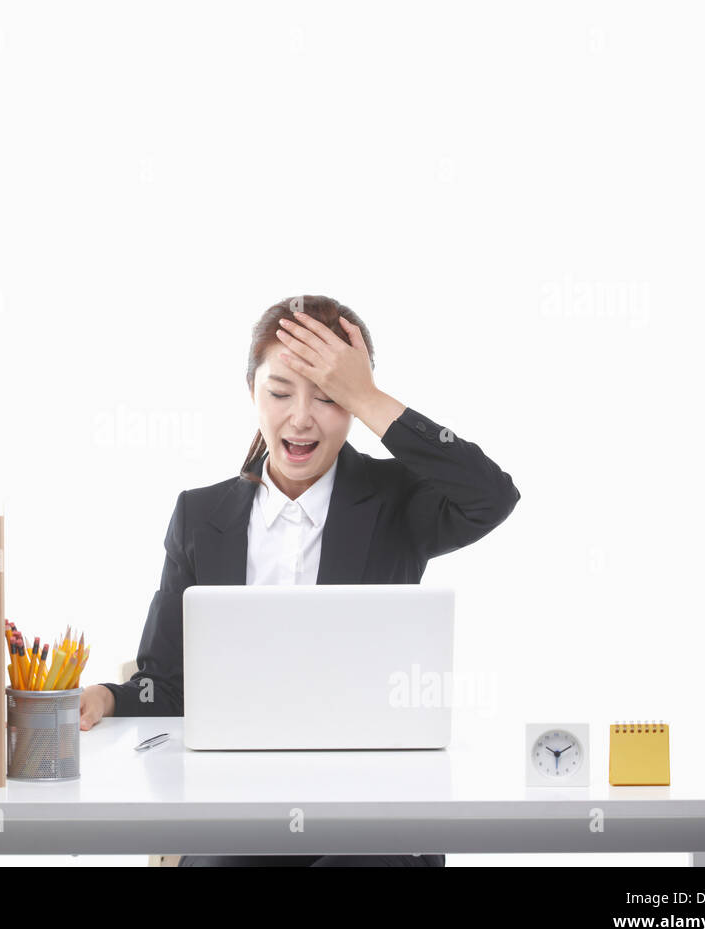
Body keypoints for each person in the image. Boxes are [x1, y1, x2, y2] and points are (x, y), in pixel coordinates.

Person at [78, 293, 522, 866]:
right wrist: (106, 699)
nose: (302, 418)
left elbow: (491, 495)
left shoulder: (396, 500)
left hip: (375, 808)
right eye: (281, 393)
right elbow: (168, 685)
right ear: (251, 393)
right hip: (239, 808)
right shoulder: (200, 516)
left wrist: (367, 395)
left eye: (331, 397)